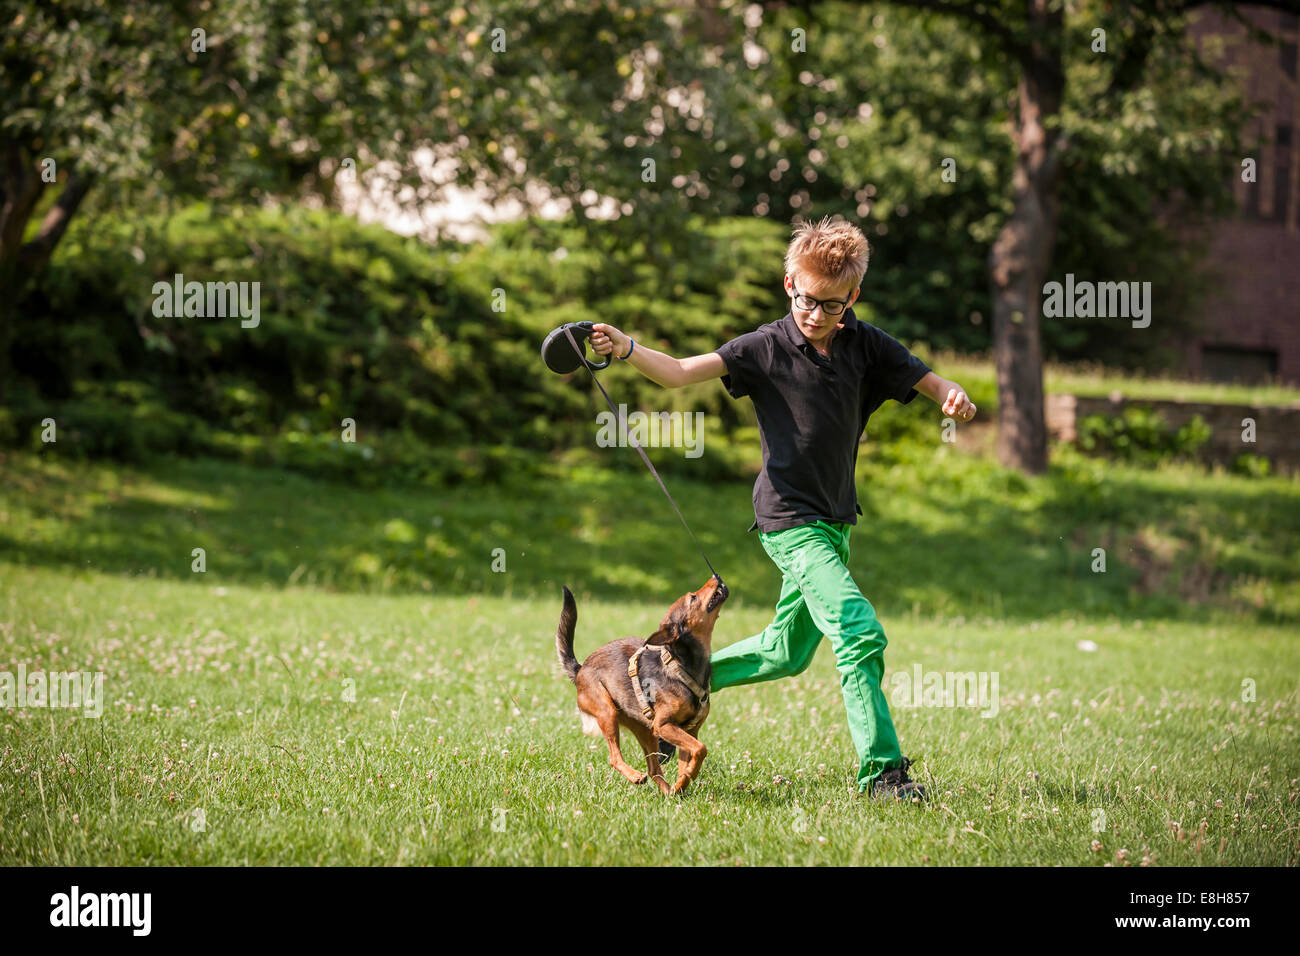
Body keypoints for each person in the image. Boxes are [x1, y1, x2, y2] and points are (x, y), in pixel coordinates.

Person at [588, 214, 977, 801]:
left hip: (837, 521)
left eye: (833, 305)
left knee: (784, 653)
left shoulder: (866, 345)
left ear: (853, 298)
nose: (816, 314)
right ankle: (884, 775)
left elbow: (924, 377)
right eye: (806, 298)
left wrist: (951, 394)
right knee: (857, 631)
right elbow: (680, 373)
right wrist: (627, 347)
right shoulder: (764, 347)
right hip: (789, 522)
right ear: (789, 282)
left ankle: (655, 693)